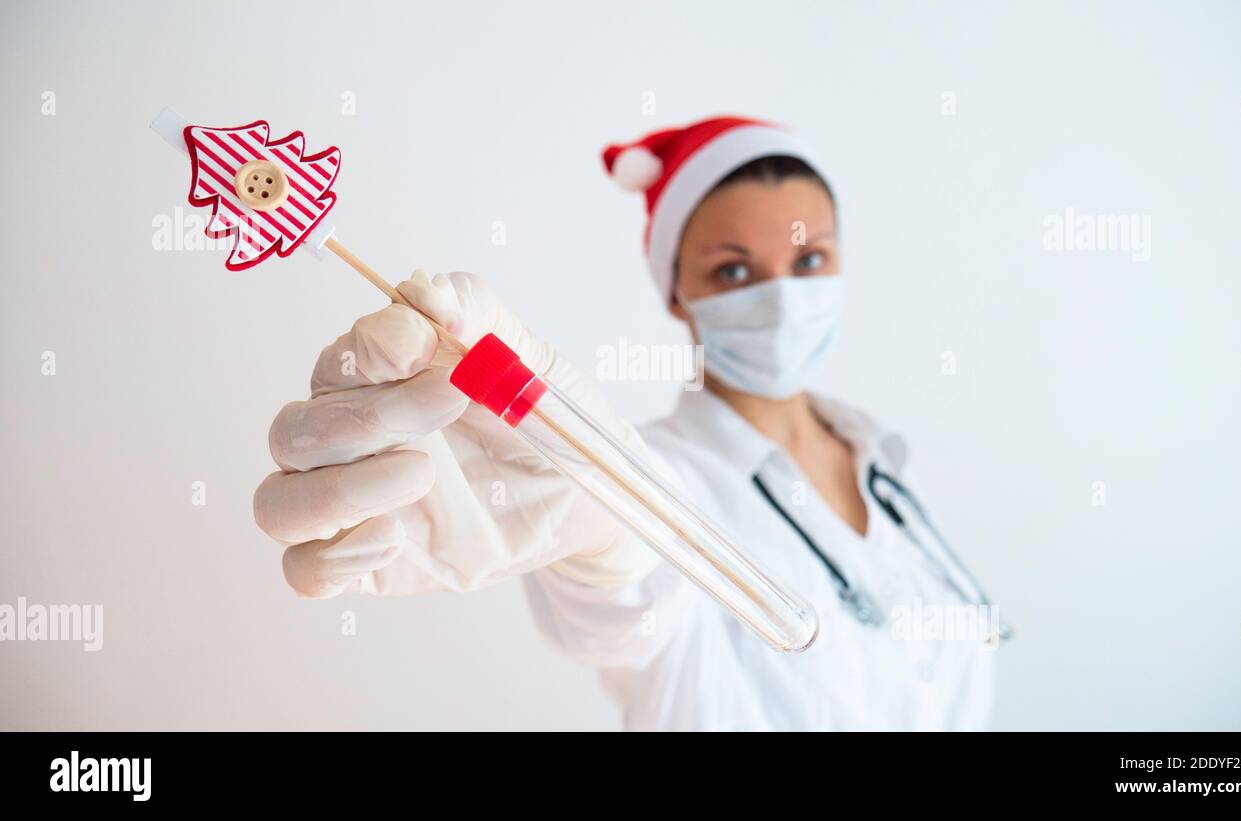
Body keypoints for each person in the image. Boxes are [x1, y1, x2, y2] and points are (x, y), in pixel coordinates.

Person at [252, 116, 997, 731]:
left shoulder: (891, 465)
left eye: (810, 260)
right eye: (733, 270)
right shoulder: (660, 479)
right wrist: (601, 526)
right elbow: (627, 609)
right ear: (675, 289)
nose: (780, 296)